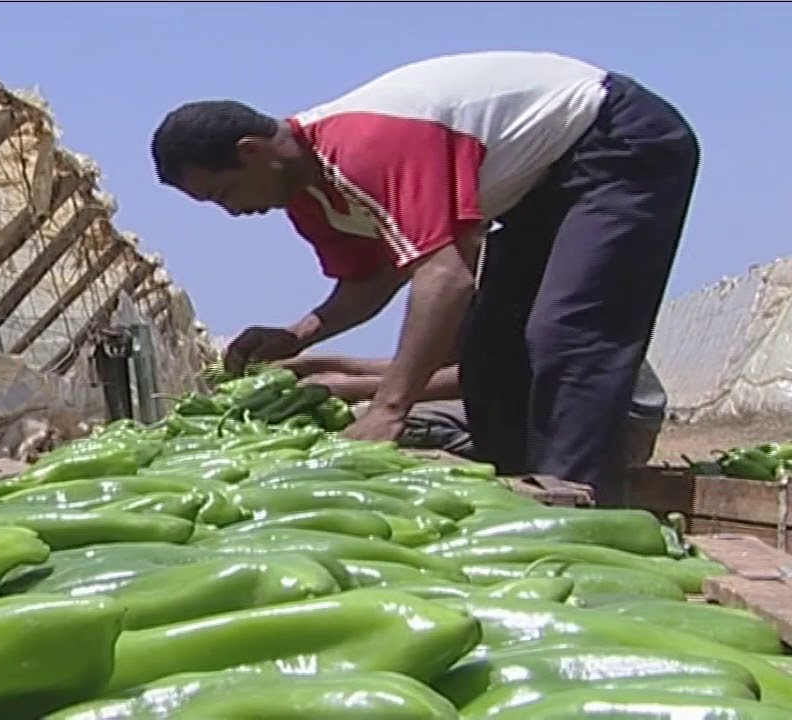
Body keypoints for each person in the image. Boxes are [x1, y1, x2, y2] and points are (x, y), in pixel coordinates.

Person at [150, 51, 698, 492]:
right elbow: (372, 279)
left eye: (224, 193)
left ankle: (576, 498)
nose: (231, 212)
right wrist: (296, 335)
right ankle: (516, 478)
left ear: (252, 153)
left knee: (567, 330)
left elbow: (446, 277)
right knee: (492, 348)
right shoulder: (312, 198)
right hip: (538, 188)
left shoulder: (362, 148)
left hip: (615, 141)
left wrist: (389, 410)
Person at [281, 353, 667, 468]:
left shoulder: (484, 273)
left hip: (615, 425)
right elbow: (426, 366)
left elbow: (483, 375)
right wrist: (323, 365)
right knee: (374, 414)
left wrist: (360, 390)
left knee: (392, 422)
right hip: (550, 408)